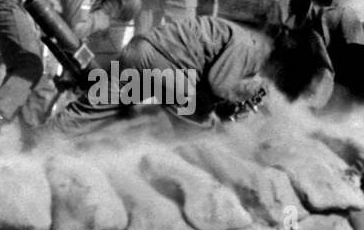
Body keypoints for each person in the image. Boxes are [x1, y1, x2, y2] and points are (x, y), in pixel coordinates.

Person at [0, 0, 141, 145]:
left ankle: (25, 137)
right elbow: (76, 29)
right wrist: (102, 17)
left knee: (41, 78)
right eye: (114, 15)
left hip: (28, 15)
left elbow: (71, 40)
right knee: (28, 66)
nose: (111, 22)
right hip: (14, 4)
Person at [46, 15, 271, 138]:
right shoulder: (247, 47)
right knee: (199, 127)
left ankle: (37, 144)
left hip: (137, 52)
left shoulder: (229, 31)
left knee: (94, 109)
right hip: (164, 67)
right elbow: (221, 86)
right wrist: (254, 88)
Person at [265, 0, 364, 110]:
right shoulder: (303, 4)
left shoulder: (340, 14)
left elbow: (355, 49)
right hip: (295, 36)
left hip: (311, 43)